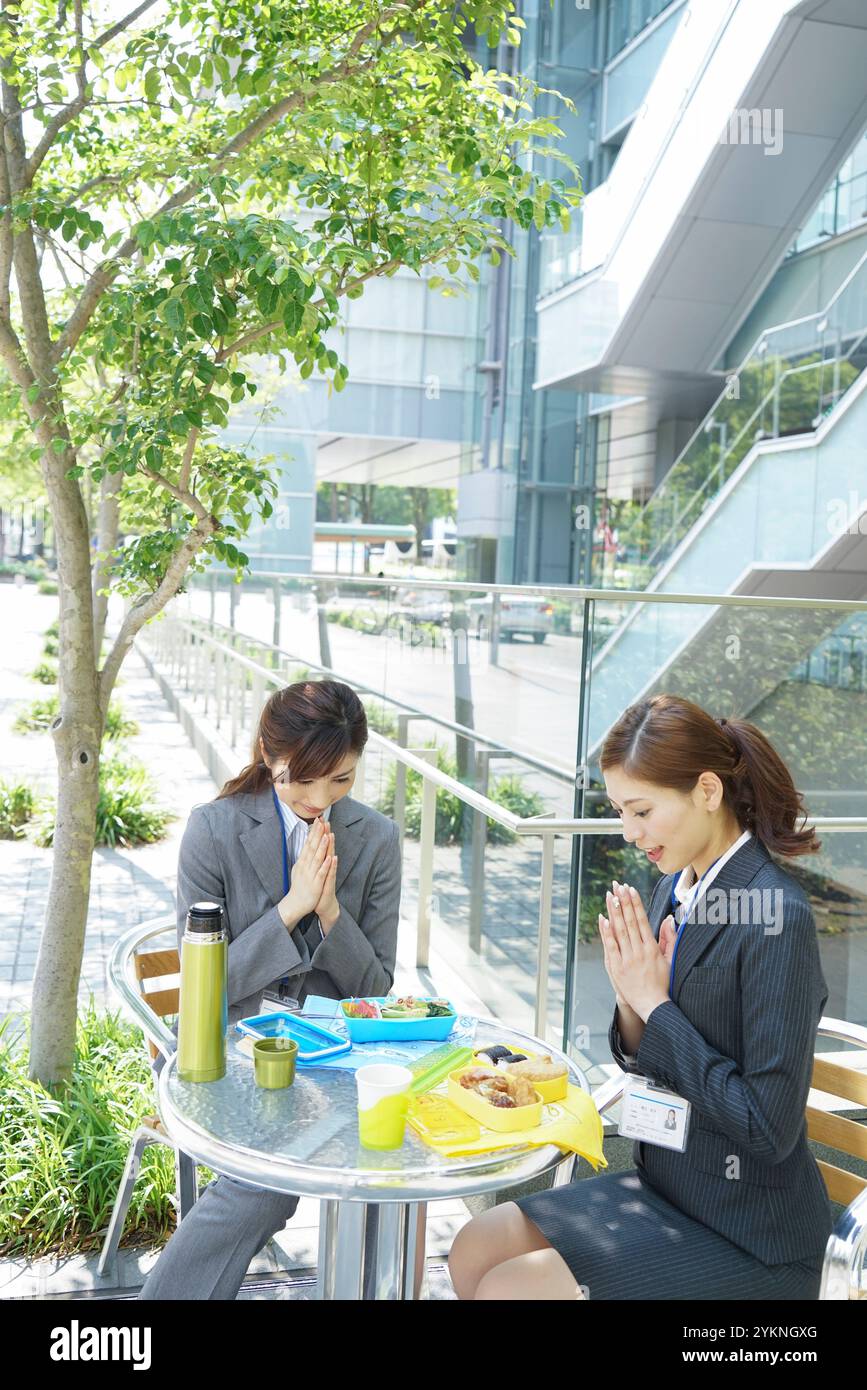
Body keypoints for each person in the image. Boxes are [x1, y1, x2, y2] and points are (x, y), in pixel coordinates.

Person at [448, 694, 834, 1301]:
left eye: (642, 810)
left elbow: (768, 1128)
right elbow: (643, 1057)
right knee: (473, 1250)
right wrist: (632, 998)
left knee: (511, 1290)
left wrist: (656, 1006)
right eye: (620, 811)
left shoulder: (775, 916)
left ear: (708, 790)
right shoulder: (670, 888)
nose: (630, 834)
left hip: (751, 1236)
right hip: (668, 1186)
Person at [139, 679, 401, 1300]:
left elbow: (379, 992)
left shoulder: (376, 838)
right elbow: (206, 989)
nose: (318, 798)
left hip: (336, 1056)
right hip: (227, 1049)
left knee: (390, 1161)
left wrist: (333, 915)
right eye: (301, 779)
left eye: (340, 779)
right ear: (266, 753)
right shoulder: (214, 829)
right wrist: (290, 909)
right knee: (266, 1180)